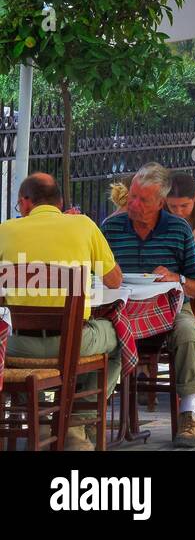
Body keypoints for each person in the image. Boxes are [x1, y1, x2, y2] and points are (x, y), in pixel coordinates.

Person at [0, 173, 123, 450]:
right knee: (119, 336)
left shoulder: (4, 230)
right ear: (61, 202)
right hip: (71, 344)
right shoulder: (83, 225)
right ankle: (75, 424)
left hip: (15, 346)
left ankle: (40, 423)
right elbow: (114, 281)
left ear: (25, 203)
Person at [99, 162, 195, 448]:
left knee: (187, 333)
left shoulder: (178, 229)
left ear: (161, 203)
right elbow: (94, 275)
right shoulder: (111, 227)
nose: (132, 203)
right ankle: (91, 415)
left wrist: (177, 277)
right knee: (96, 336)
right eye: (132, 195)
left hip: (167, 306)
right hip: (121, 308)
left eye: (142, 199)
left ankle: (188, 412)